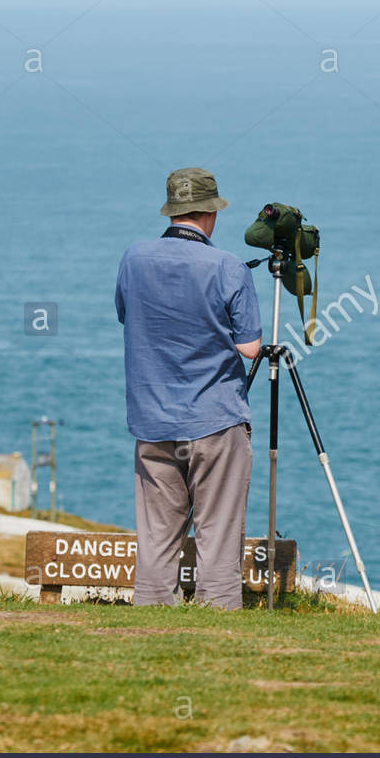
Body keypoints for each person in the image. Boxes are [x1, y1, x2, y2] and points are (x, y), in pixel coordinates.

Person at [115, 167, 262, 609]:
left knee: (156, 535)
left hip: (152, 421)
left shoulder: (134, 258)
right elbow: (250, 347)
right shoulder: (228, 266)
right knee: (218, 531)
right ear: (211, 213)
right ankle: (218, 615)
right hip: (215, 420)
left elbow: (127, 315)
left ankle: (152, 617)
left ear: (173, 211)